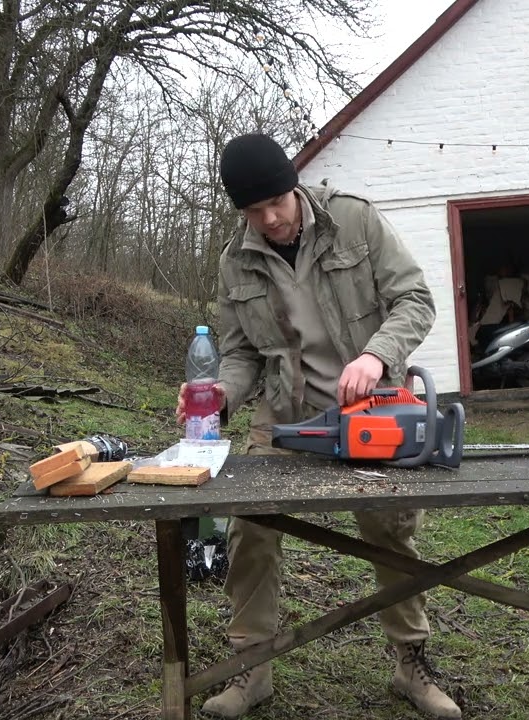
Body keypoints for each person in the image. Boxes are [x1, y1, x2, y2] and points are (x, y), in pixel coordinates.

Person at [175, 132, 461, 720]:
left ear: (294, 185)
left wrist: (376, 355)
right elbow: (239, 355)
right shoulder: (237, 261)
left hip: (372, 411)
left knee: (389, 531)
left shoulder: (354, 221)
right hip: (284, 420)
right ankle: (251, 669)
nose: (270, 217)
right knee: (249, 530)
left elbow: (416, 300)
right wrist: (217, 397)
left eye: (277, 200)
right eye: (254, 210)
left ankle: (412, 663)